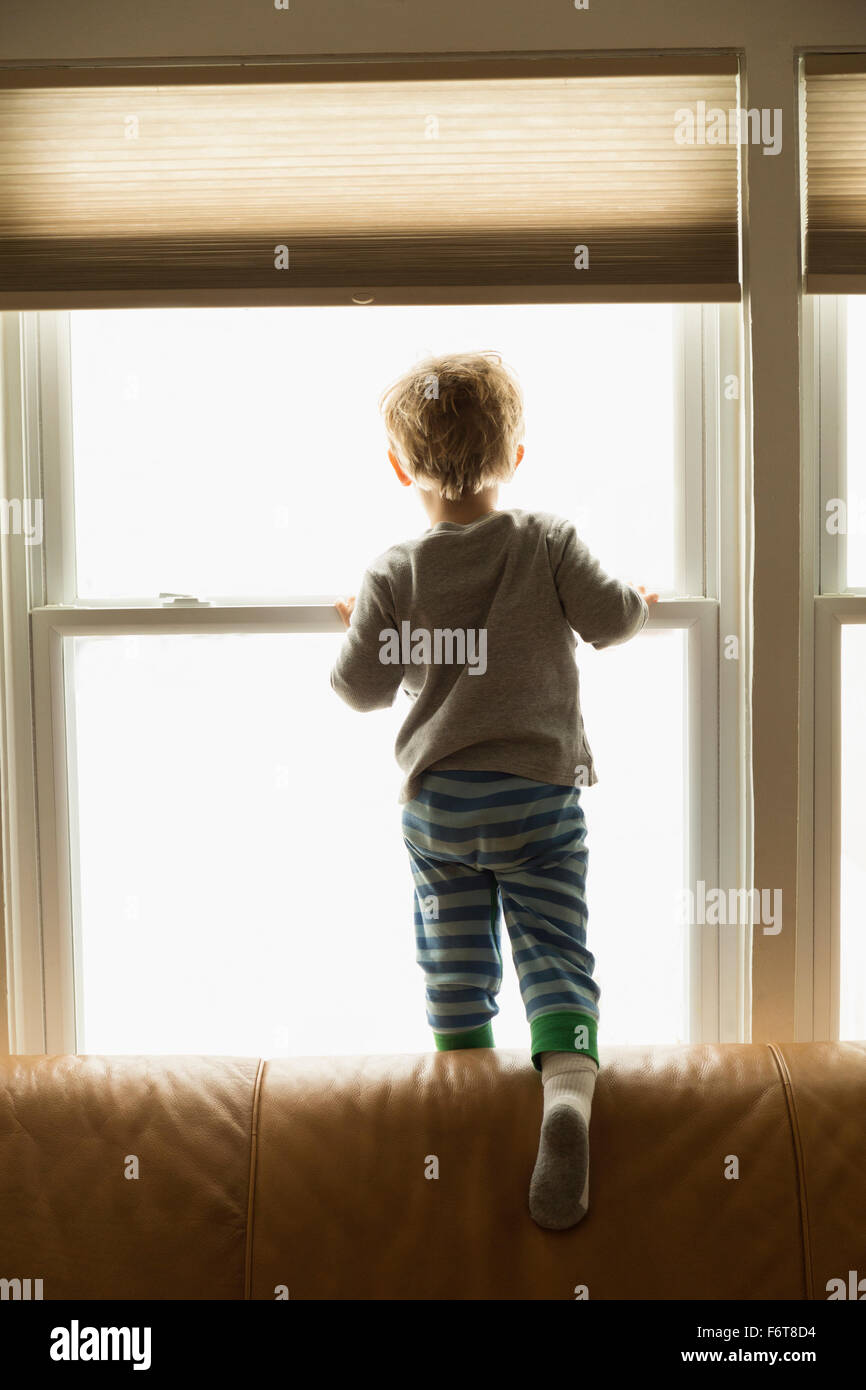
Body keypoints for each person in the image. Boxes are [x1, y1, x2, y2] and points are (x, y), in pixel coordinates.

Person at [330, 349, 657, 1229]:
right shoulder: (548, 540)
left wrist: (368, 625)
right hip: (539, 795)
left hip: (442, 807)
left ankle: (469, 1117)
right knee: (555, 954)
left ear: (401, 469)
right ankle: (567, 1095)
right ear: (517, 456)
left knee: (455, 967)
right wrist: (641, 602)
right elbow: (610, 619)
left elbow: (356, 688)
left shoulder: (394, 570)